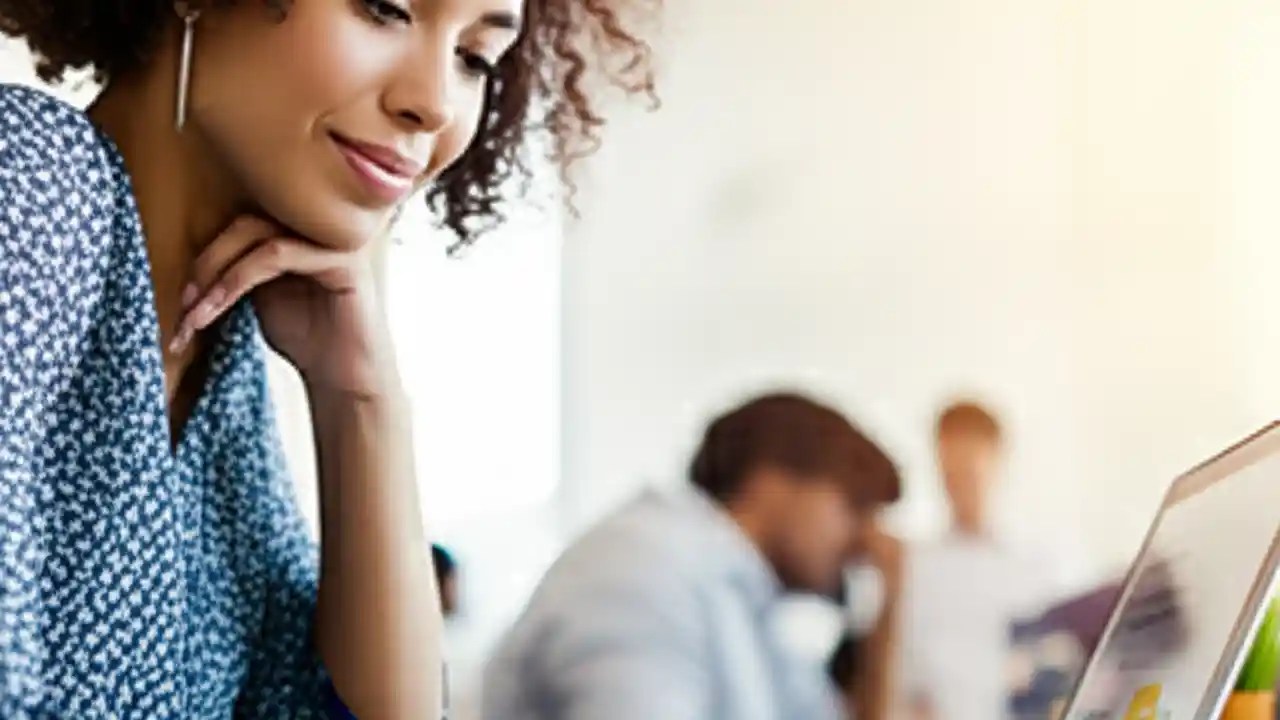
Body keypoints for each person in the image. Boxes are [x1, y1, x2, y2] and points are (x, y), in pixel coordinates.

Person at [0, 0, 654, 715]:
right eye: (384, 10)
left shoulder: (224, 367)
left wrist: (363, 402)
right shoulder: (32, 175)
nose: (433, 103)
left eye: (474, 59)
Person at [483, 392, 905, 720]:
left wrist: (891, 608)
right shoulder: (646, 570)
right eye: (855, 506)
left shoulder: (747, 606)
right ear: (772, 482)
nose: (866, 541)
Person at [900, 401, 1065, 720]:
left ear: (999, 460)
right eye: (950, 474)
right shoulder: (913, 569)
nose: (959, 487)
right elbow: (903, 688)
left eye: (970, 472)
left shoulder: (1042, 567)